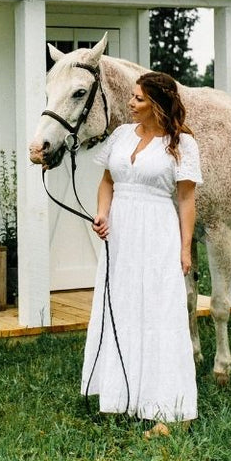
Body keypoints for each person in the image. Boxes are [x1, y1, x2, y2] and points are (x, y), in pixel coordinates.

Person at [81, 71, 202, 437]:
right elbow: (107, 182)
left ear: (158, 104)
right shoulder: (120, 136)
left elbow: (186, 199)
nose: (130, 104)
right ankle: (120, 395)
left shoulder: (181, 145)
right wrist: (102, 214)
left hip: (157, 232)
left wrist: (184, 247)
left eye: (138, 99)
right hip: (120, 235)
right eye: (132, 97)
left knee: (159, 311)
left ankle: (167, 408)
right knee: (120, 305)